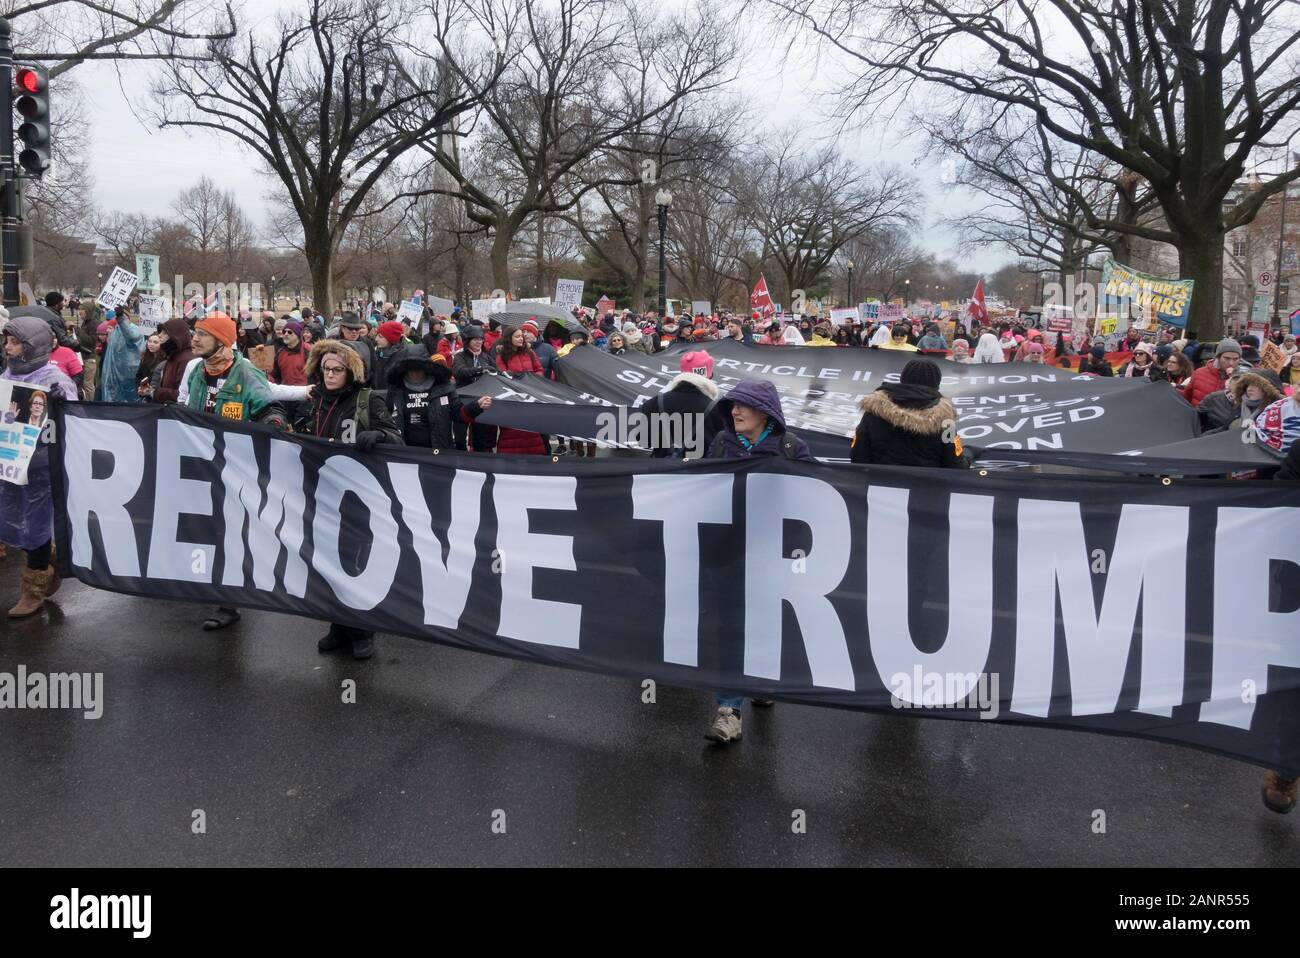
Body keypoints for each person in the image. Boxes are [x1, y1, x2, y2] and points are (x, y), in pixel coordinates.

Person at [703, 379, 812, 744]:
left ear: (765, 412)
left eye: (743, 406)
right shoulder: (721, 443)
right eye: (732, 405)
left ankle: (762, 681)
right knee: (731, 626)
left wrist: (798, 552)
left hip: (771, 555)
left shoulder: (792, 448)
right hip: (728, 553)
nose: (734, 411)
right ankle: (729, 710)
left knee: (767, 623)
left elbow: (815, 499)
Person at [180, 312, 291, 632]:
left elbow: (272, 410)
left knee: (230, 534)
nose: (195, 339)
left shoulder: (246, 373)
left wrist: (272, 424)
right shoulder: (198, 372)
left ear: (222, 341)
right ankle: (216, 585)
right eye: (194, 333)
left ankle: (228, 602)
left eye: (202, 334)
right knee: (208, 530)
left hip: (236, 471)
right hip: (203, 466)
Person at [305, 339, 403, 660]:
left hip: (357, 498)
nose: (330, 375)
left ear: (352, 371)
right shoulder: (315, 399)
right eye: (325, 369)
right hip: (321, 493)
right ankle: (338, 625)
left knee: (352, 562)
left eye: (337, 370)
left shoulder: (368, 401)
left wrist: (379, 436)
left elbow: (396, 439)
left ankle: (362, 628)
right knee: (327, 563)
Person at [0, 317, 78, 617]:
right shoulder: (7, 374)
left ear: (33, 345)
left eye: (15, 342)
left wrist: (63, 405)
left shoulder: (54, 379)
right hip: (10, 464)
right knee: (10, 520)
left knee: (35, 525)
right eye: (6, 341)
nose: (8, 347)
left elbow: (73, 422)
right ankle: (51, 562)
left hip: (41, 469)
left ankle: (34, 590)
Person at [850, 358, 969, 468]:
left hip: (879, 485)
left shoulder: (875, 410)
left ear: (903, 378)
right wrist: (969, 454)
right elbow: (955, 464)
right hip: (926, 487)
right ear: (936, 383)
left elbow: (857, 456)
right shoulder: (946, 419)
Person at [387, 348, 492, 450]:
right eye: (410, 370)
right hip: (406, 454)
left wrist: (476, 406)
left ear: (426, 369)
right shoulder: (396, 390)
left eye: (418, 370)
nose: (414, 374)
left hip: (439, 452)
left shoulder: (443, 387)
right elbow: (387, 420)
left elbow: (458, 414)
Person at [638, 350, 727, 458]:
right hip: (700, 471)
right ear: (708, 376)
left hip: (661, 470)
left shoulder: (656, 402)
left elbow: (642, 439)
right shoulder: (716, 409)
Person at [98, 306, 147, 402]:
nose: (121, 319)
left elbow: (130, 334)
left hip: (128, 376)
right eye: (119, 317)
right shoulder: (116, 331)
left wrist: (121, 318)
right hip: (115, 375)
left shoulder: (135, 330)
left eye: (123, 317)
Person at [1182, 338, 1240, 407]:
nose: (1231, 363)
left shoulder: (1241, 379)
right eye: (1227, 358)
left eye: (1235, 359)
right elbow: (1185, 398)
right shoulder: (1199, 373)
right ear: (1218, 357)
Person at [151, 318, 195, 404]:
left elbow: (181, 395)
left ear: (177, 336)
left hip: (175, 413)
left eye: (164, 333)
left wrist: (155, 392)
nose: (159, 335)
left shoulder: (185, 360)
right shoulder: (174, 356)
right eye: (160, 332)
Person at [335, 311, 374, 384]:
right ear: (342, 328)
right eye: (350, 328)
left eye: (357, 329)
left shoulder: (367, 343)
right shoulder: (332, 342)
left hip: (361, 384)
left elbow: (373, 366)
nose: (354, 332)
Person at [135, 332, 167, 399]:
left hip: (157, 397)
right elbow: (139, 375)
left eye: (155, 342)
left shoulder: (165, 360)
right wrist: (142, 388)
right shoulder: (145, 357)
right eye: (149, 341)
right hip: (145, 395)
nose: (151, 344)